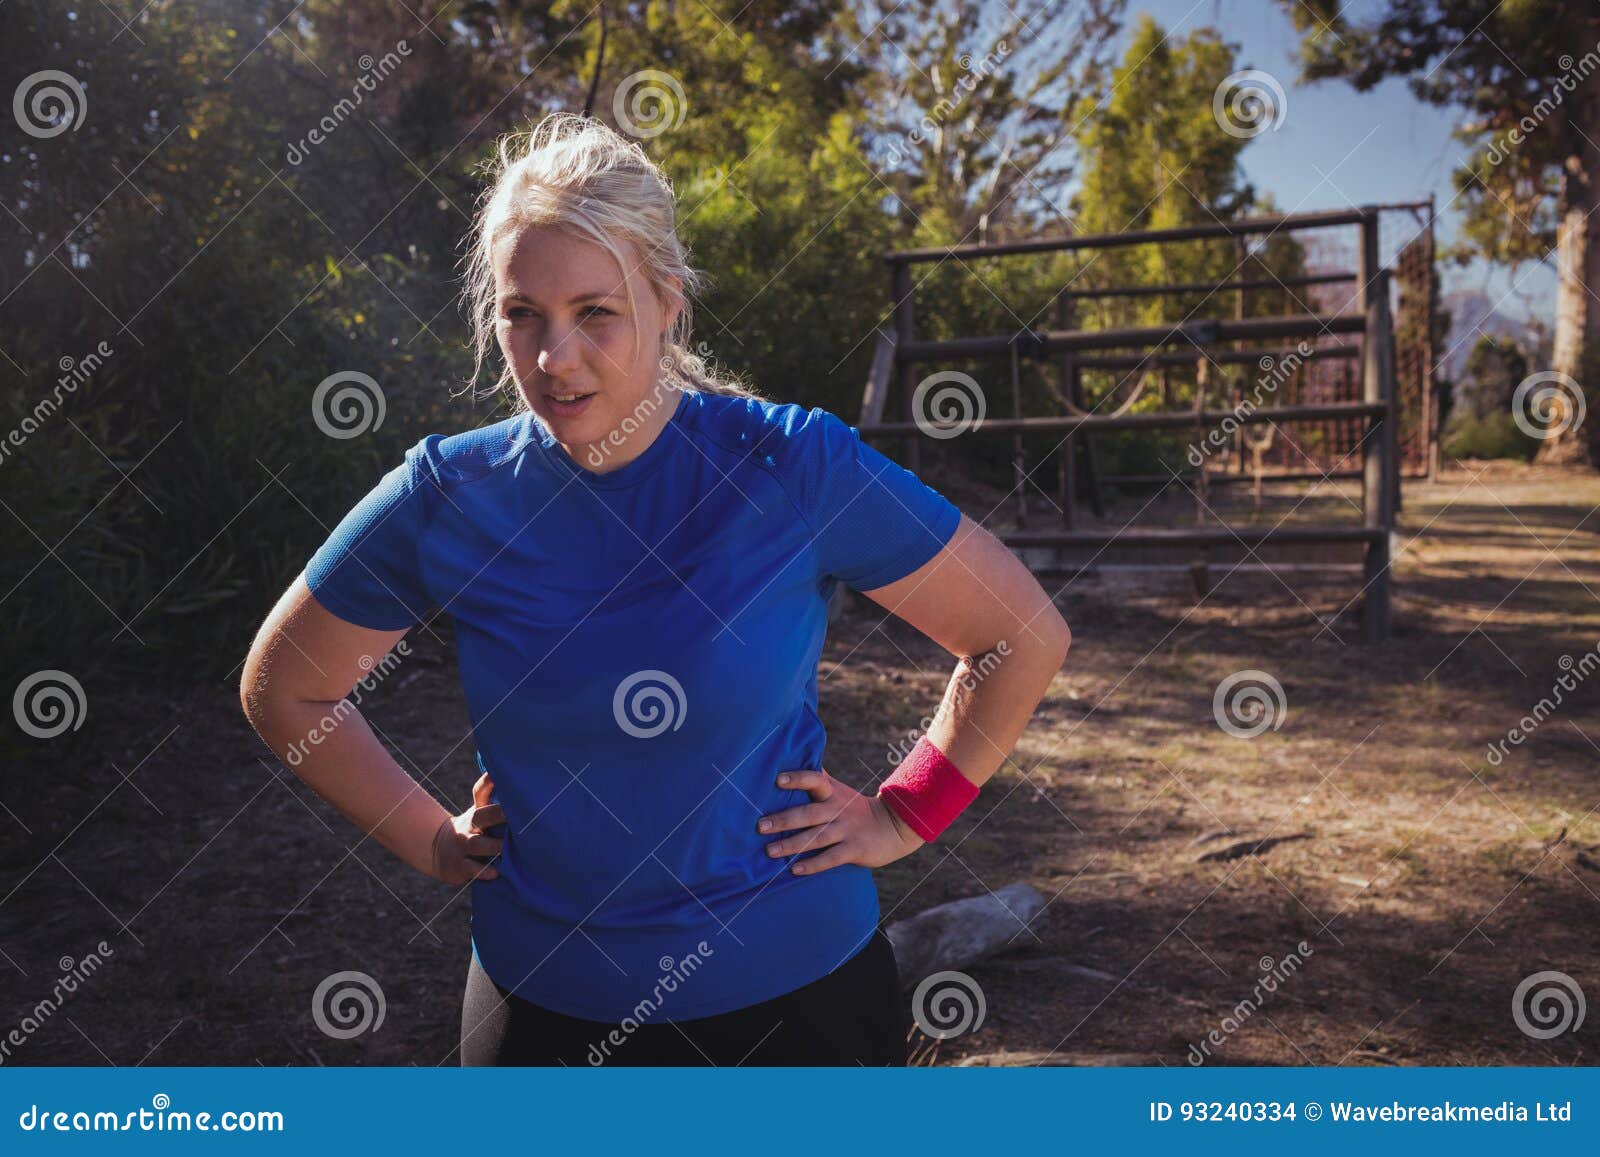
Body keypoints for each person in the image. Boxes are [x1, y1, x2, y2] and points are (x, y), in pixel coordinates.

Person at [239, 112, 1072, 1066]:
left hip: (801, 1011)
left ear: (666, 298)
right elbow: (284, 688)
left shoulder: (788, 465)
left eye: (595, 311)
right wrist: (431, 839)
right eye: (522, 315)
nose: (555, 358)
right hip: (540, 1014)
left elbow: (1019, 632)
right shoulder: (448, 497)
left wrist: (901, 812)